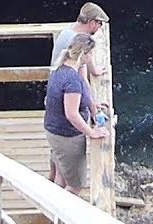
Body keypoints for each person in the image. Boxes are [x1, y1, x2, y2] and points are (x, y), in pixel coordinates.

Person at [44, 33, 109, 194]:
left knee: (61, 175)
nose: (92, 57)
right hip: (66, 136)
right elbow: (71, 114)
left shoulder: (61, 67)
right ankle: (59, 208)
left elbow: (81, 91)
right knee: (75, 184)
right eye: (91, 53)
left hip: (53, 130)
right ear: (83, 55)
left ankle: (52, 196)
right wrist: (92, 132)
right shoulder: (71, 79)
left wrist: (92, 105)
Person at [50, 2, 110, 77]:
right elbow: (82, 77)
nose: (100, 27)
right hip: (64, 80)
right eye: (100, 23)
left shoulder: (71, 28)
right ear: (92, 23)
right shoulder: (77, 42)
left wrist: (94, 70)